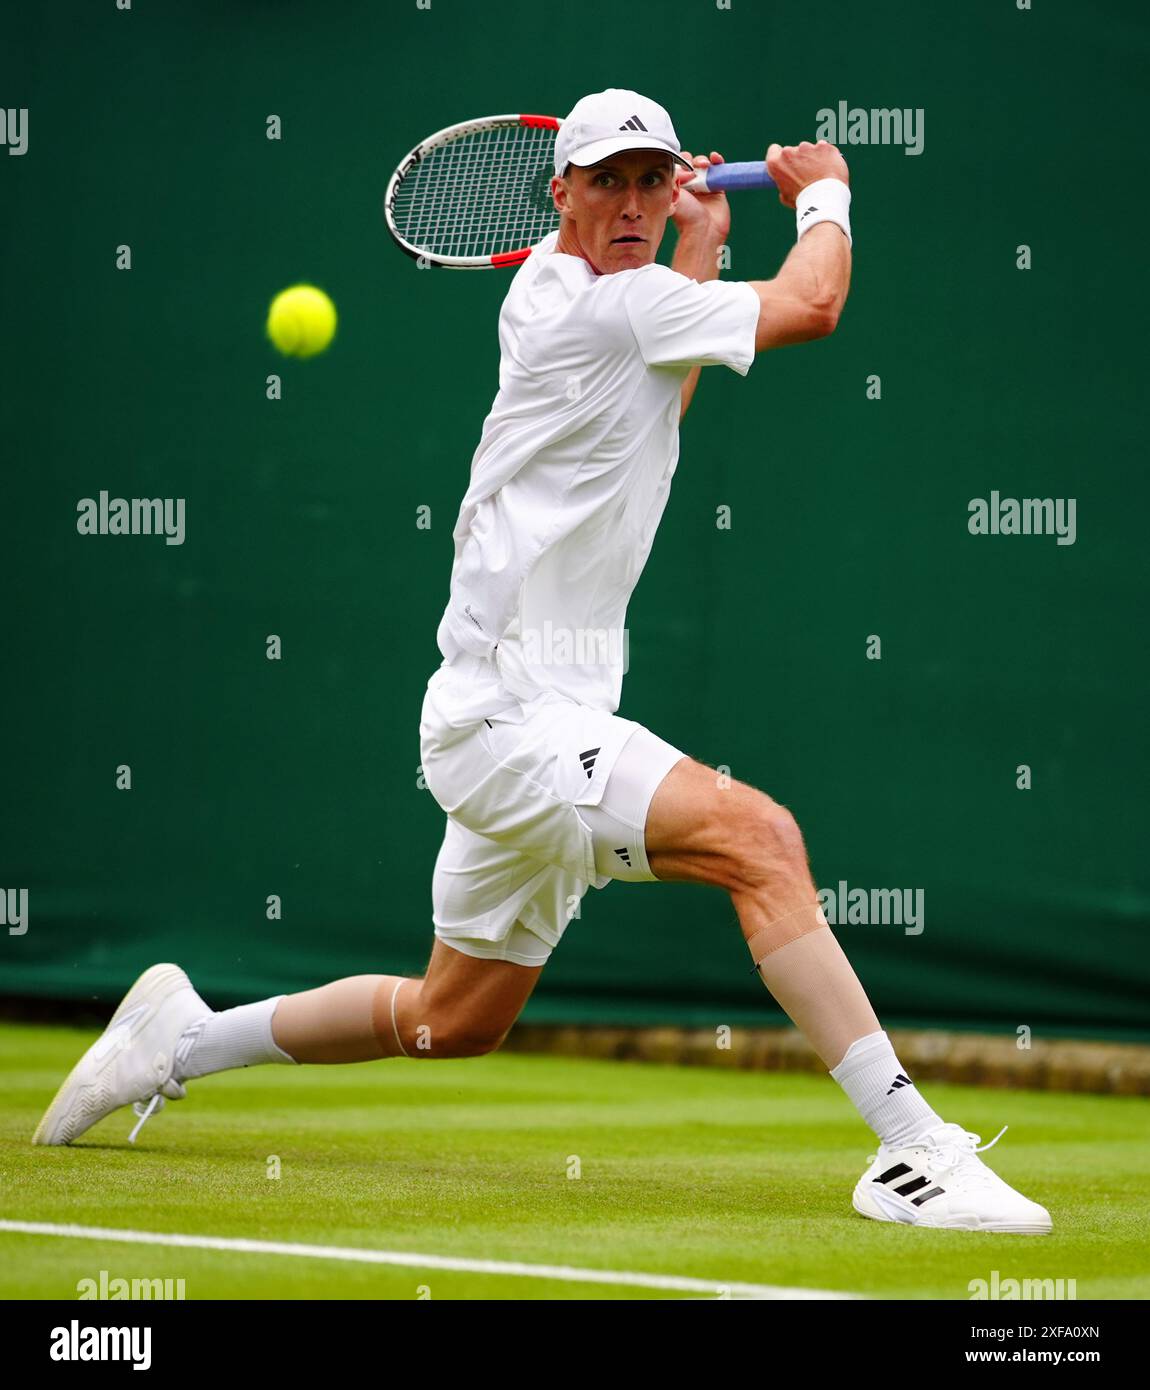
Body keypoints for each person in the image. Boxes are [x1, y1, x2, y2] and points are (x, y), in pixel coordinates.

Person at [34, 88, 1050, 1236]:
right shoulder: (606, 308)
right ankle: (913, 1149)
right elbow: (813, 305)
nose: (627, 201)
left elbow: (652, 394)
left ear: (671, 189)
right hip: (512, 721)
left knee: (449, 1019)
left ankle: (179, 1038)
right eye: (603, 180)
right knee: (759, 840)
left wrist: (702, 252)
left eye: (648, 179)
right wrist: (826, 194)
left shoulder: (603, 304)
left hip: (509, 718)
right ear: (556, 194)